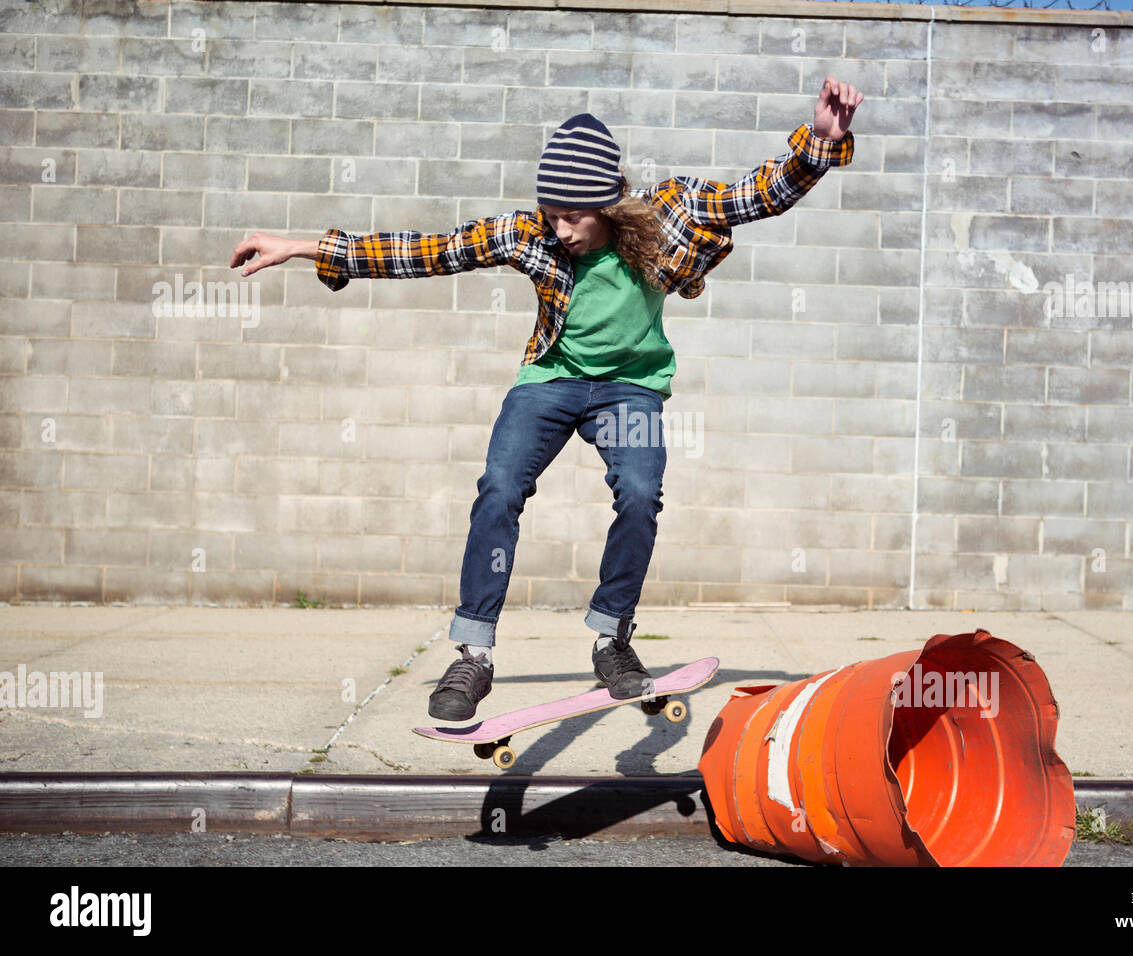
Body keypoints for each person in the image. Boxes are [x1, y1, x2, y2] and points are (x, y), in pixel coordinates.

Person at [231, 76, 861, 721]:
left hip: (630, 391)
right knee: (499, 488)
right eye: (551, 213)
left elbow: (759, 194)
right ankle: (473, 654)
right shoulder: (527, 232)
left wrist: (819, 143)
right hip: (550, 381)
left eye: (574, 216)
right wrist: (303, 246)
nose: (560, 230)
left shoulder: (670, 212)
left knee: (642, 494)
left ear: (609, 204)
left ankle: (613, 639)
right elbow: (426, 250)